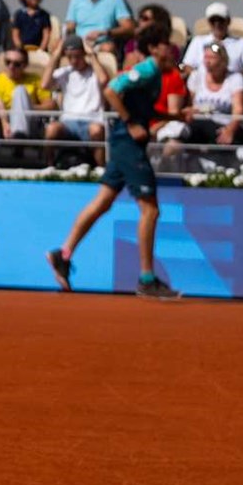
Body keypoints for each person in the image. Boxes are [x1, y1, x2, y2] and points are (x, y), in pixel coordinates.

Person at [50, 35, 179, 297]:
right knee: (150, 210)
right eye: (166, 44)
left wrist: (174, 116)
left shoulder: (156, 74)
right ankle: (146, 279)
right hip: (127, 143)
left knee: (103, 202)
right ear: (154, 47)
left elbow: (144, 110)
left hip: (125, 144)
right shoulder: (146, 69)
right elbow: (110, 90)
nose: (172, 49)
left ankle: (63, 254)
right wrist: (130, 123)